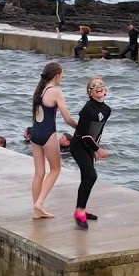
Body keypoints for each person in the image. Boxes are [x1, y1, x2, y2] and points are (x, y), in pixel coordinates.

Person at [30, 62, 79, 219]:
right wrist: (79, 127)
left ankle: (36, 209)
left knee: (39, 172)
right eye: (62, 74)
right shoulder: (56, 92)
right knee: (56, 169)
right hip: (48, 134)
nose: (63, 77)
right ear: (57, 76)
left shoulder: (40, 90)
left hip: (35, 133)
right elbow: (67, 118)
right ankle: (40, 203)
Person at [70, 78, 111, 229]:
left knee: (86, 177)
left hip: (89, 146)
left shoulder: (106, 110)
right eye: (94, 86)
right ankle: (79, 211)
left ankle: (81, 208)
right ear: (90, 93)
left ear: (105, 90)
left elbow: (98, 132)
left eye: (101, 84)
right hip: (79, 146)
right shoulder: (87, 109)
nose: (98, 87)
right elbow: (84, 135)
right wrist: (98, 150)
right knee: (91, 176)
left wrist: (96, 148)